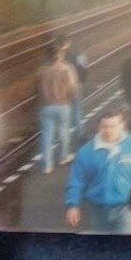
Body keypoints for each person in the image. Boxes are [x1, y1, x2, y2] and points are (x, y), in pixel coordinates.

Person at [65, 107, 131, 233]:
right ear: (98, 127)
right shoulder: (86, 152)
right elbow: (77, 180)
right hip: (98, 209)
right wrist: (72, 205)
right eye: (104, 127)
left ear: (122, 125)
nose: (108, 130)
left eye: (113, 126)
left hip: (126, 207)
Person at [37, 45, 79, 174]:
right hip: (63, 105)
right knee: (63, 131)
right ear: (60, 56)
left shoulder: (41, 71)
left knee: (47, 135)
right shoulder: (66, 69)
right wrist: (71, 99)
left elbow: (36, 89)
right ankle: (64, 156)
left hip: (46, 106)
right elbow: (73, 87)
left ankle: (47, 165)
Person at [53, 34, 89, 142]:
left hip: (60, 89)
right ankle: (80, 133)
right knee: (77, 110)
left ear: (56, 44)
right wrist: (80, 81)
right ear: (68, 43)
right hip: (75, 86)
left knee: (63, 113)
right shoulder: (77, 55)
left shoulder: (52, 58)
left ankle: (63, 136)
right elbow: (84, 69)